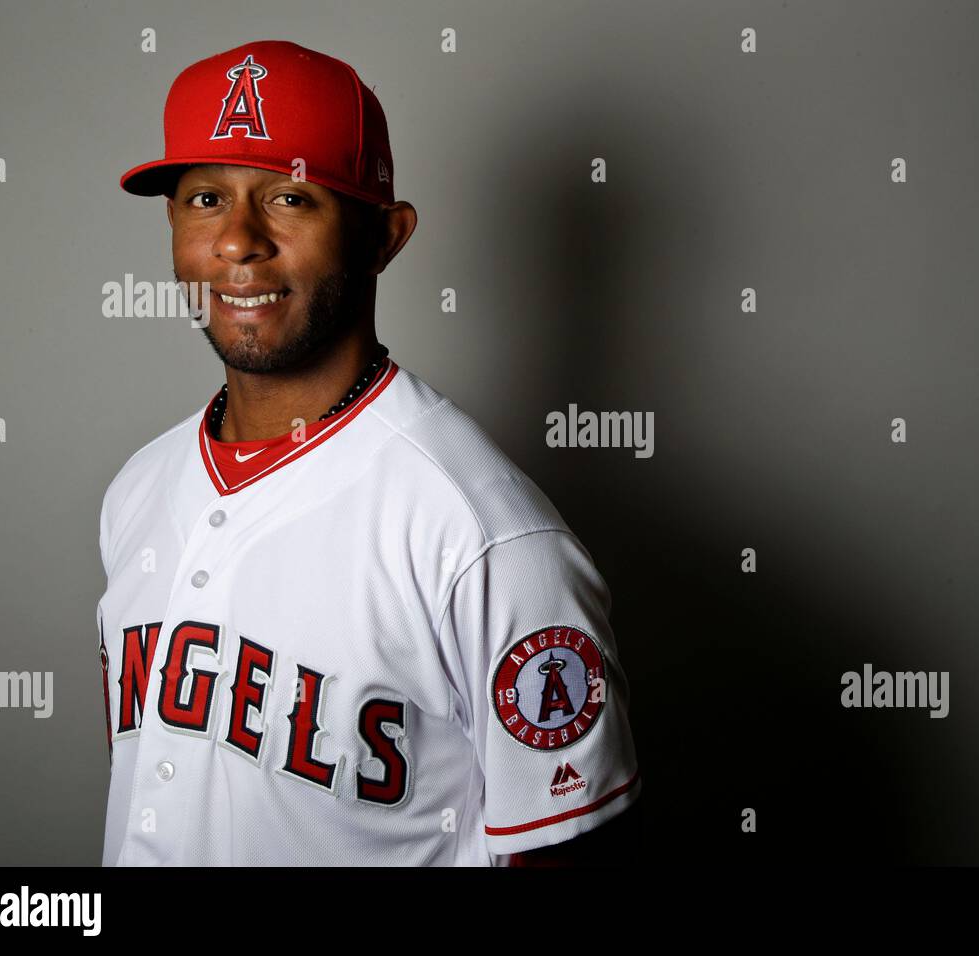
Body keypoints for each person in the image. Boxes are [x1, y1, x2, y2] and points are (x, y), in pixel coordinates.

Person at [97, 39, 642, 866]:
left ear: (385, 236)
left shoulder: (486, 537)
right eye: (206, 197)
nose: (239, 242)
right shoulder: (138, 488)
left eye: (289, 197)